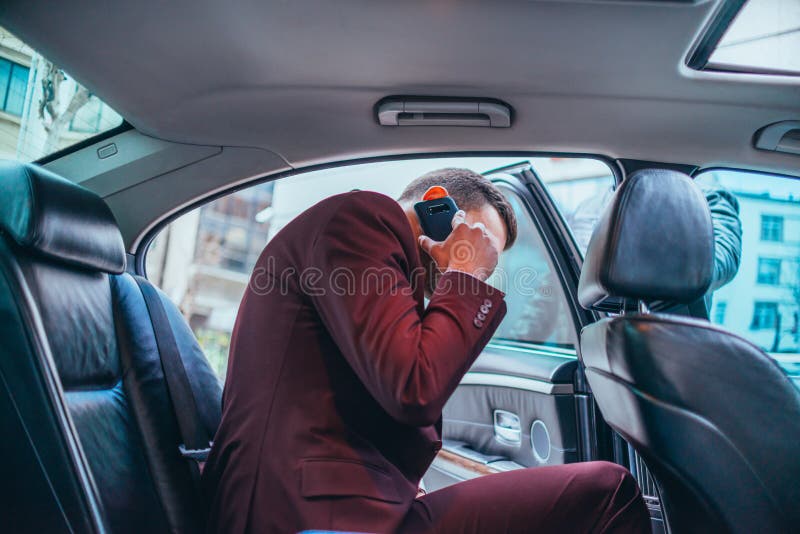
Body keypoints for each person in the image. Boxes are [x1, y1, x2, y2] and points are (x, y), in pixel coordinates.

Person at [201, 168, 650, 533]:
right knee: (608, 489)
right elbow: (413, 390)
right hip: (306, 513)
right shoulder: (362, 217)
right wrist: (467, 272)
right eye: (477, 241)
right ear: (436, 205)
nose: (482, 260)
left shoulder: (391, 284)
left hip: (341, 503)